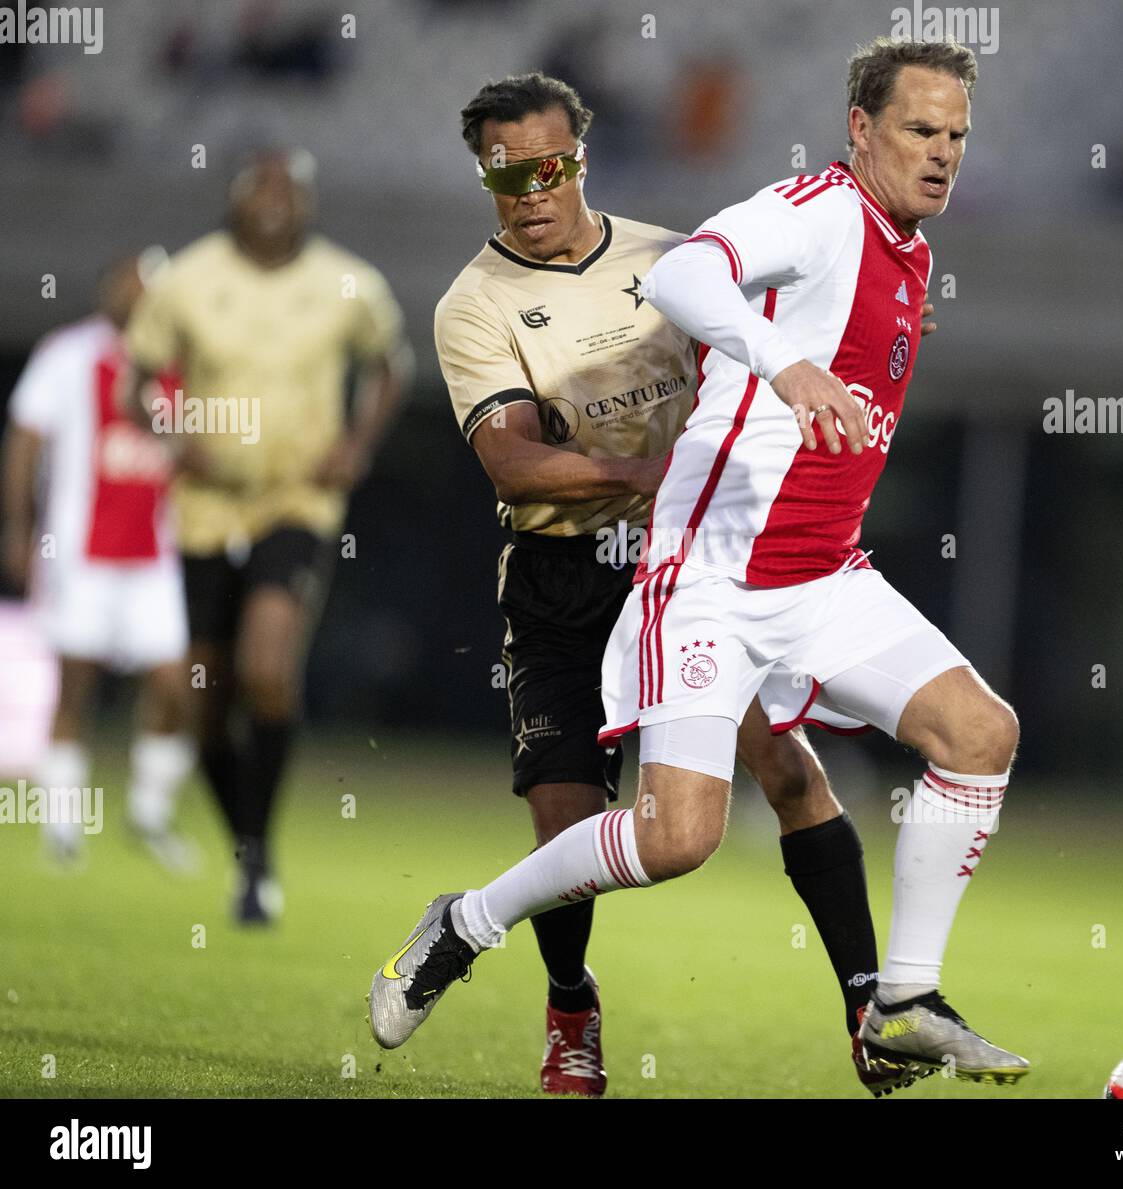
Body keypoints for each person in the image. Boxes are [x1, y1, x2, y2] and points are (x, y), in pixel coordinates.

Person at [375, 70, 944, 1095]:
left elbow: (782, 340)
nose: (532, 191)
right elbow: (511, 462)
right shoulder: (474, 305)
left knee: (787, 768)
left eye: (549, 167)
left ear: (579, 159)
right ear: (485, 176)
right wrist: (646, 470)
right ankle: (571, 1007)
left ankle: (870, 1007)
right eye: (507, 174)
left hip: (694, 559)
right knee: (565, 814)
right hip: (562, 574)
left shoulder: (666, 257)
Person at [122, 149, 411, 922]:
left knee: (268, 667)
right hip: (206, 506)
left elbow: (392, 363)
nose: (279, 201)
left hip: (296, 500)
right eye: (264, 188)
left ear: (311, 202)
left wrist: (357, 442)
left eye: (293, 189)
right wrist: (176, 435)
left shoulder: (348, 282)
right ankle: (252, 853)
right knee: (202, 697)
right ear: (237, 198)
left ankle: (258, 855)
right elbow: (138, 379)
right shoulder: (188, 277)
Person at [1, 249, 196, 870]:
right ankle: (61, 827)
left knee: (174, 686)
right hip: (80, 550)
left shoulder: (180, 360)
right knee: (74, 686)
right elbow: (26, 441)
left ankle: (148, 813)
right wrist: (19, 529)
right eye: (131, 287)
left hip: (152, 553)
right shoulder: (68, 353)